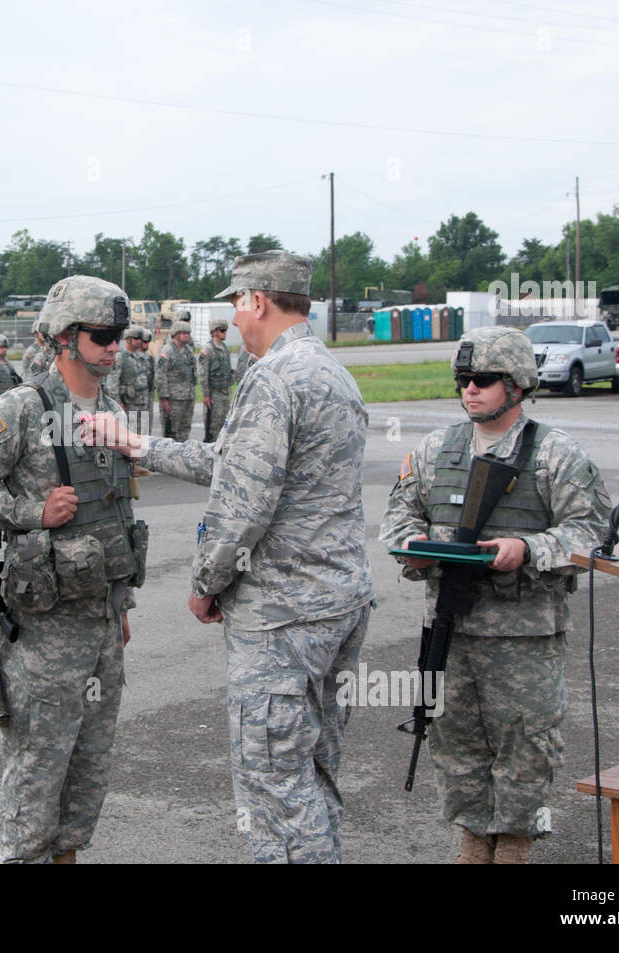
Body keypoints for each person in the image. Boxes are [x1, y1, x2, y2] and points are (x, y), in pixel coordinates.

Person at [88, 251, 374, 863]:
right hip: (337, 601)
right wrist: (141, 444)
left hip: (282, 615)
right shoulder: (330, 373)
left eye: (237, 303)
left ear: (259, 302)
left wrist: (206, 581)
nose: (236, 316)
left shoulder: (272, 378)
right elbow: (233, 464)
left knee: (274, 784)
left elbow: (244, 503)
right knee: (312, 771)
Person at [379, 326, 611, 864]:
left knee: (525, 741)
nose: (470, 390)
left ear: (518, 385)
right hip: (450, 625)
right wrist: (417, 549)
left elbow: (592, 532)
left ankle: (513, 845)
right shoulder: (436, 449)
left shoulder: (555, 453)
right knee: (453, 737)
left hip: (523, 631)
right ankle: (473, 840)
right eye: (463, 380)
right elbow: (398, 519)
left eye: (484, 380)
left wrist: (526, 547)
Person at [0, 275, 147, 864]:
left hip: (101, 618)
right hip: (46, 626)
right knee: (39, 764)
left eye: (120, 335)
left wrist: (121, 607)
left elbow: (118, 511)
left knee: (91, 764)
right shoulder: (21, 407)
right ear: (65, 338)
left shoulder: (111, 407)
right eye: (103, 335)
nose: (115, 346)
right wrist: (33, 512)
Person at [156, 318, 196, 441]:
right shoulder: (167, 350)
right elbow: (160, 374)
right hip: (173, 399)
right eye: (184, 333)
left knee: (184, 429)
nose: (187, 336)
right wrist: (164, 397)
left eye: (188, 333)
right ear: (176, 334)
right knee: (171, 431)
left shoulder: (188, 350)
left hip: (187, 397)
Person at [196, 316, 234, 442]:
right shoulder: (208, 349)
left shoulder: (225, 349)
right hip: (214, 394)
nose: (225, 333)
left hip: (224, 393)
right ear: (214, 332)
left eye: (225, 330)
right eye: (222, 330)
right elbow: (203, 373)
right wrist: (206, 394)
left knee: (224, 424)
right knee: (213, 425)